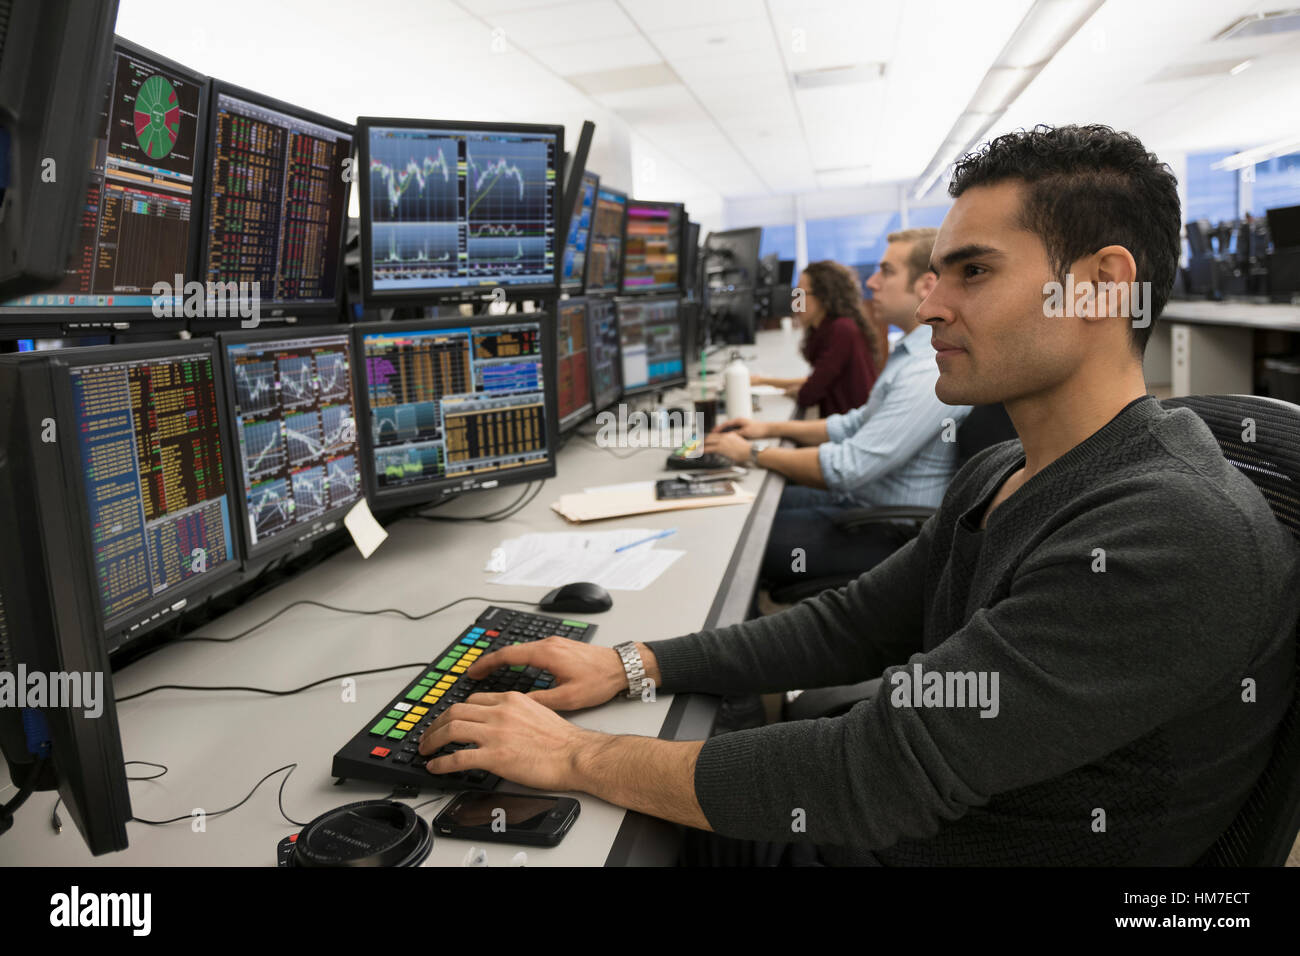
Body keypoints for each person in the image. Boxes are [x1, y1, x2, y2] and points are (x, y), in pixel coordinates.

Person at [408, 125, 1300, 866]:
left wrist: (575, 753)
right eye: (935, 272)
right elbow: (852, 625)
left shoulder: (1173, 531)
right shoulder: (1008, 473)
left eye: (974, 272)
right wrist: (632, 663)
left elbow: (868, 776)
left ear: (1102, 284)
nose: (927, 306)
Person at [704, 228, 972, 589]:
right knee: (747, 503)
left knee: (735, 538)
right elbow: (854, 423)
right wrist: (769, 430)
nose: (872, 282)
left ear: (925, 285)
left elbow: (849, 467)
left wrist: (750, 452)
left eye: (886, 272)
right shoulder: (910, 352)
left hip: (888, 528)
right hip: (863, 498)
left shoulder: (927, 370)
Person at [748, 260, 882, 416]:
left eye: (800, 295)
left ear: (824, 296)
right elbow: (816, 380)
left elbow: (809, 394)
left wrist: (796, 390)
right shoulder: (829, 329)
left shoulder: (841, 331)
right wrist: (764, 381)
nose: (795, 303)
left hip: (850, 429)